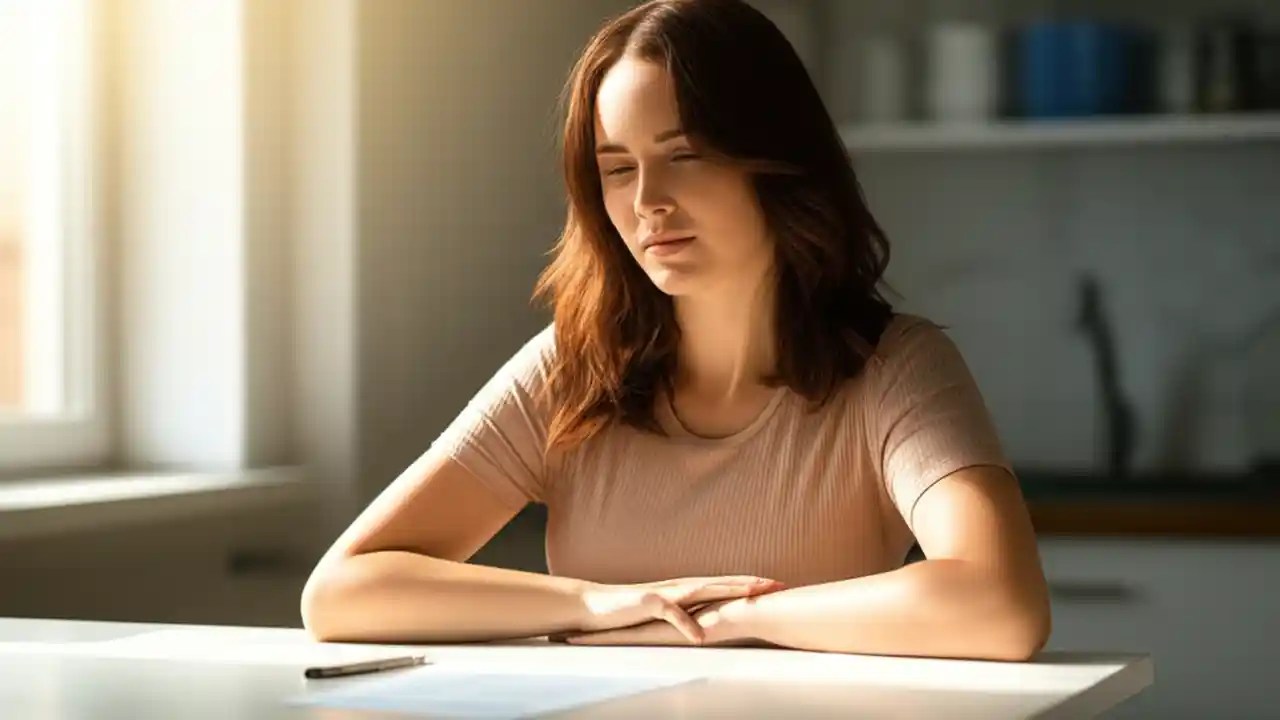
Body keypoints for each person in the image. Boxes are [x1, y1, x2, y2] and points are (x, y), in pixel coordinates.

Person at [301, 0, 1050, 661]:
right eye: (618, 169)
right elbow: (341, 592)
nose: (648, 201)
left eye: (683, 156)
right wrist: (595, 604)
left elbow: (1001, 606)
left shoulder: (895, 368)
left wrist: (734, 618)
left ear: (778, 163)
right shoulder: (572, 368)